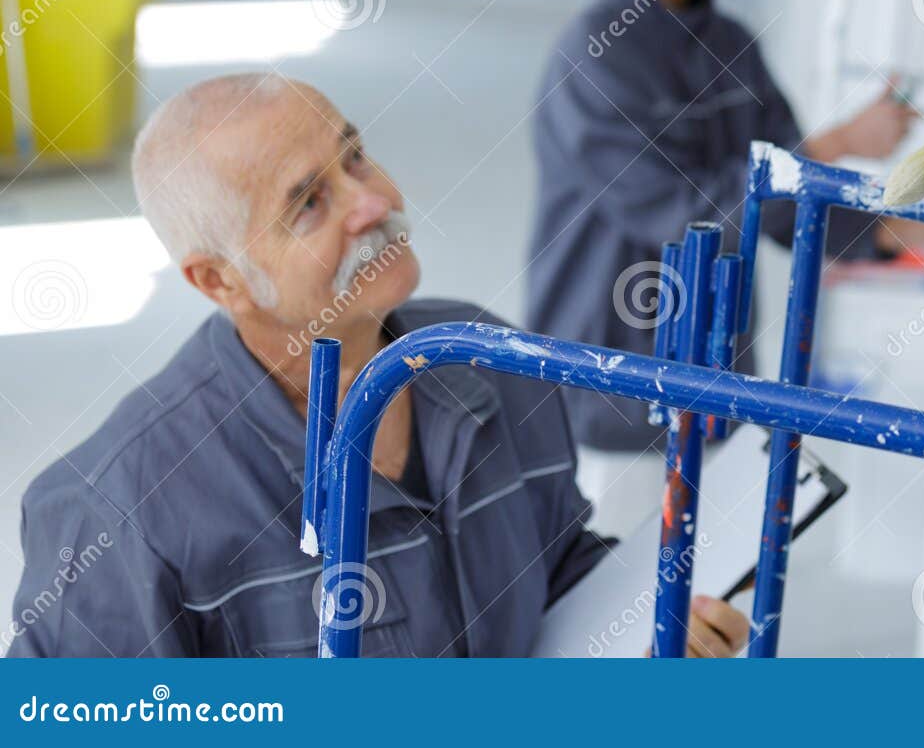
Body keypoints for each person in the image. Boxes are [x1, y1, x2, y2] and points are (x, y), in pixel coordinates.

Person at [6, 74, 748, 658]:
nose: (373, 203)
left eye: (355, 155)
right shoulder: (119, 512)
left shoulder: (493, 360)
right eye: (308, 203)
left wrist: (650, 617)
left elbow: (553, 567)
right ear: (218, 281)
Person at [525, 0, 924, 464]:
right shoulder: (592, 59)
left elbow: (785, 202)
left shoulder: (733, 46)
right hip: (609, 398)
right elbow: (687, 212)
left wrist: (890, 229)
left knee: (721, 562)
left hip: (718, 386)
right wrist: (838, 142)